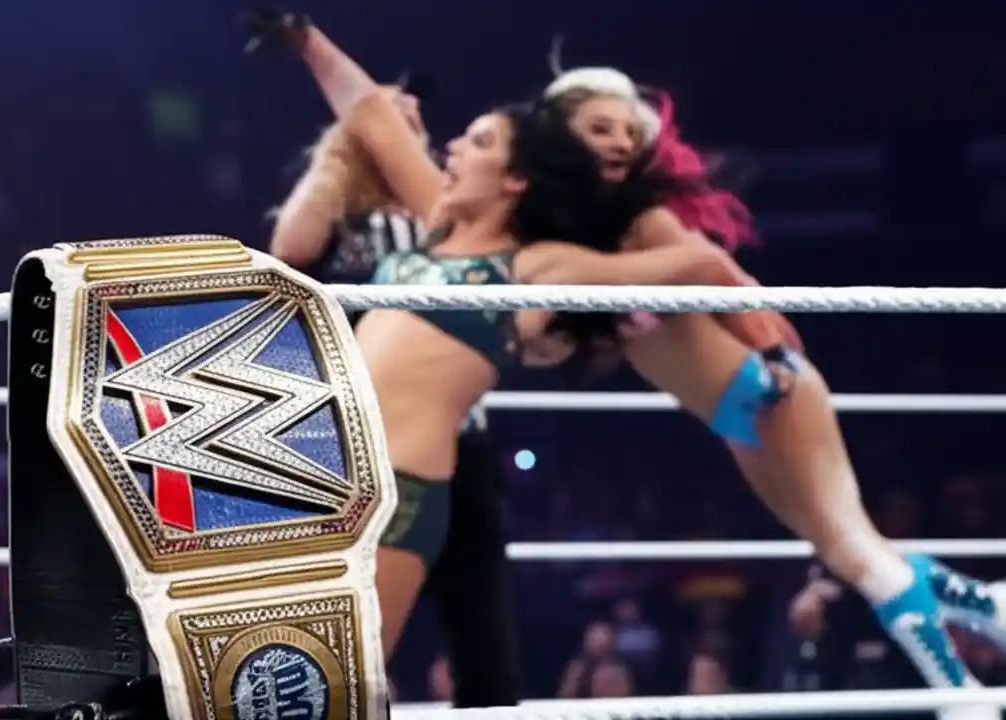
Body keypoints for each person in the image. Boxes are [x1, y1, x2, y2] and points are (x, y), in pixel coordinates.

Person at [240, 10, 790, 662]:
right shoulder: (439, 226)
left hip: (399, 489)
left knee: (344, 674)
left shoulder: (537, 267)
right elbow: (371, 115)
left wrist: (769, 347)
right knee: (259, 661)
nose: (451, 148)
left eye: (477, 142)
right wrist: (305, 38)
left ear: (515, 178)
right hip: (325, 468)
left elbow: (698, 261)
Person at [523, 62, 1002, 689]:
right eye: (599, 129)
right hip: (734, 417)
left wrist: (770, 355)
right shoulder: (579, 236)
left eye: (627, 131)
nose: (619, 142)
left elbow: (725, 277)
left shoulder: (643, 221)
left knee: (858, 552)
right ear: (559, 139)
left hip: (768, 391)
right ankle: (985, 609)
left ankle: (961, 688)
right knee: (851, 553)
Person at [265, 73, 525, 707]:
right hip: (357, 443)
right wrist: (339, 153)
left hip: (458, 438)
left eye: (414, 120)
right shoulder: (340, 207)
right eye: (391, 118)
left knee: (481, 632)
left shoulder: (448, 216)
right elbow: (288, 249)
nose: (410, 129)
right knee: (352, 645)